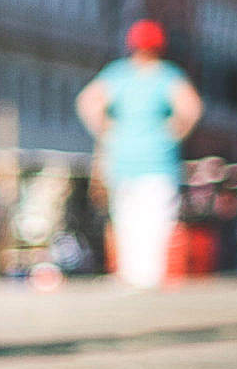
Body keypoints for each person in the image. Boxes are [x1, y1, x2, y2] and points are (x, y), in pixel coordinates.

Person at [77, 20, 202, 288]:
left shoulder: (118, 75)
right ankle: (149, 278)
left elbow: (87, 103)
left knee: (126, 220)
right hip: (158, 160)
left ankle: (132, 276)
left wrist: (107, 130)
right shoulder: (167, 76)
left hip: (122, 157)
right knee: (156, 221)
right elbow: (191, 108)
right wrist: (174, 132)